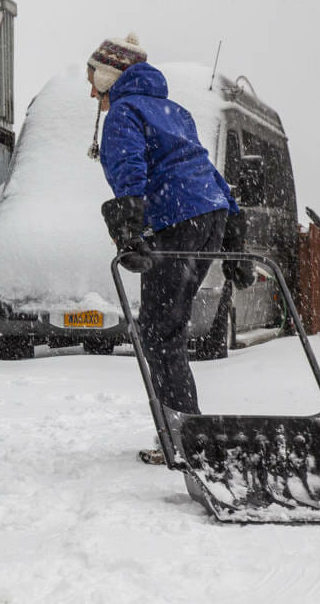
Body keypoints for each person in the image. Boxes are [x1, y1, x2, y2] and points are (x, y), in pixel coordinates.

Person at [86, 33, 254, 456]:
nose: (92, 91)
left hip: (176, 221)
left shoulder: (123, 112)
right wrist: (233, 232)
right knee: (168, 329)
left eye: (95, 79)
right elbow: (203, 167)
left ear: (111, 77)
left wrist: (129, 228)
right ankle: (185, 427)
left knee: (161, 334)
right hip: (210, 217)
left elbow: (129, 168)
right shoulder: (173, 110)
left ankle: (183, 437)